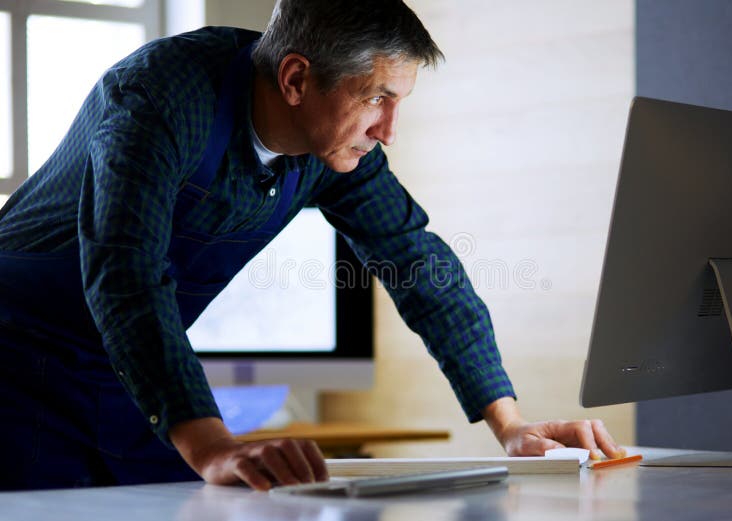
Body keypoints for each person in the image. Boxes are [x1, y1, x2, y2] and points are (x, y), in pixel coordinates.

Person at [0, 0, 623, 491]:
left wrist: (510, 426)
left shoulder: (331, 149)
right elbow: (127, 276)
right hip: (17, 364)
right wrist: (215, 446)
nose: (390, 130)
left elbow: (418, 262)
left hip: (128, 380)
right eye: (376, 98)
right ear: (296, 77)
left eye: (398, 102)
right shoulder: (158, 98)